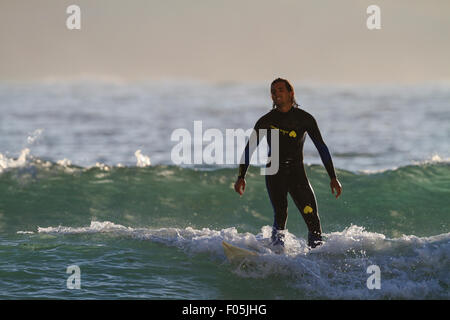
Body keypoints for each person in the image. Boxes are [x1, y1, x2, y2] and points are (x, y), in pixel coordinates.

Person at [234, 78, 342, 249]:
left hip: (297, 172)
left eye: (280, 90)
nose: (276, 94)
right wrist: (241, 176)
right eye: (273, 91)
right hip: (274, 172)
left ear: (291, 93)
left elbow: (322, 147)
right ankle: (278, 253)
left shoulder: (305, 119)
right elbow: (250, 148)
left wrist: (333, 177)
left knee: (312, 217)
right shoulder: (266, 121)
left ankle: (317, 256)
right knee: (281, 214)